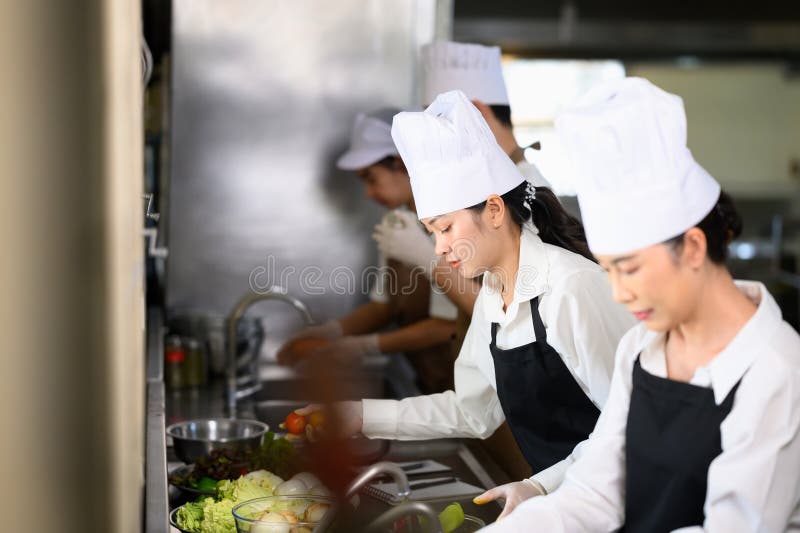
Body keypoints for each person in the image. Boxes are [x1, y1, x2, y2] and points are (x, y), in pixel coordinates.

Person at [482, 78, 800, 532]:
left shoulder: (775, 369)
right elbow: (594, 496)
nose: (618, 293)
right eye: (608, 270)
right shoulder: (641, 348)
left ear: (692, 247)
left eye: (629, 269)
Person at [320, 90, 634, 518]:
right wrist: (358, 416)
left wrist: (541, 485)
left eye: (446, 228)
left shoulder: (573, 288)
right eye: (432, 232)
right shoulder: (492, 295)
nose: (440, 248)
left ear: (492, 210)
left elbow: (630, 426)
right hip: (568, 508)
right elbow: (472, 410)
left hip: (623, 507)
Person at [276, 109, 460, 394]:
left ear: (401, 164)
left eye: (371, 178)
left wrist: (363, 347)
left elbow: (447, 326)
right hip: (428, 381)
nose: (368, 193)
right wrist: (331, 333)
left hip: (461, 380)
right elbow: (383, 305)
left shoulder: (450, 223)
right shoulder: (397, 222)